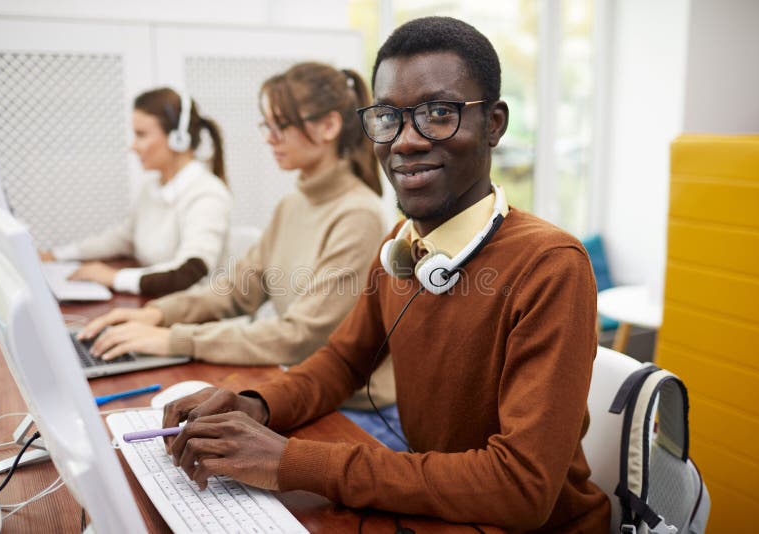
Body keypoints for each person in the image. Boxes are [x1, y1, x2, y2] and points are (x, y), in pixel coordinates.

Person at [159, 17, 611, 532]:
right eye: (388, 117)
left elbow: (521, 487)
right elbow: (341, 363)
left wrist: (291, 462)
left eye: (438, 113)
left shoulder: (550, 266)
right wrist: (255, 404)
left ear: (494, 123)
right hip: (442, 512)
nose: (405, 142)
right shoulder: (402, 246)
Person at [77, 63, 400, 447]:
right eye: (267, 126)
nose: (269, 138)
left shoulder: (358, 215)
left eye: (280, 126)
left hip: (360, 414)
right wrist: (158, 313)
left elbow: (299, 337)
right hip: (304, 391)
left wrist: (176, 340)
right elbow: (236, 289)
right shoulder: (293, 204)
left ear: (328, 126)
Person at [40, 88, 231, 297]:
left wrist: (114, 277)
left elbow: (189, 271)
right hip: (159, 302)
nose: (133, 146)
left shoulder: (207, 194)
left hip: (195, 318)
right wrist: (56, 256)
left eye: (141, 135)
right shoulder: (153, 189)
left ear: (178, 139)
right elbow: (120, 239)